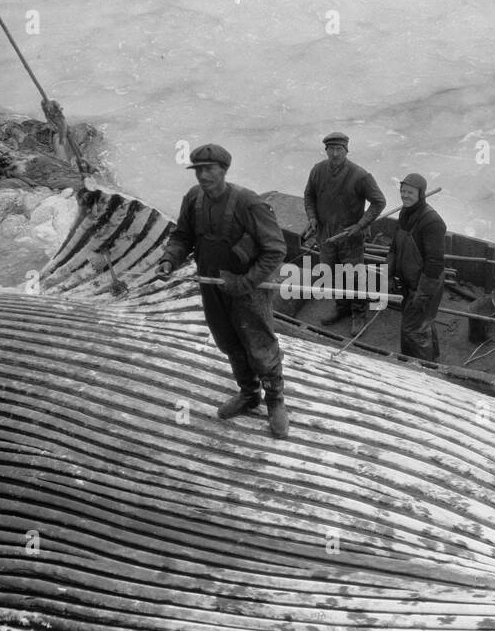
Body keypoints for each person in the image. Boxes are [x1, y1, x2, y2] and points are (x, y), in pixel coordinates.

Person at [156, 144, 290, 439]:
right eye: (198, 170)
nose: (203, 176)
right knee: (228, 341)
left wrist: (246, 282)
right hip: (211, 285)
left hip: (248, 291)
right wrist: (170, 259)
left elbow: (276, 249)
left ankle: (275, 401)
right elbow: (183, 236)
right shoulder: (193, 199)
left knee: (259, 346)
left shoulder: (249, 203)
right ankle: (248, 393)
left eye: (209, 169)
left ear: (224, 170)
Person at [302, 131, 386, 336]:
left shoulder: (360, 175)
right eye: (331, 149)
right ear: (326, 151)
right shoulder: (317, 170)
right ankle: (342, 307)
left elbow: (379, 202)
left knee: (354, 276)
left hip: (350, 238)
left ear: (346, 151)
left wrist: (361, 224)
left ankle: (358, 313)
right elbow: (308, 196)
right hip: (326, 237)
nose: (335, 154)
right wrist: (312, 217)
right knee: (333, 273)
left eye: (339, 149)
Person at [387, 173, 446, 362]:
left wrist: (422, 293)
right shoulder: (405, 213)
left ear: (421, 194)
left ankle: (423, 371)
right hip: (409, 282)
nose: (405, 195)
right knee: (422, 324)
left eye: (410, 192)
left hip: (425, 285)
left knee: (412, 330)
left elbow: (434, 263)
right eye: (403, 191)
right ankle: (433, 358)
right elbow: (394, 247)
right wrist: (388, 275)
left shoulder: (432, 222)